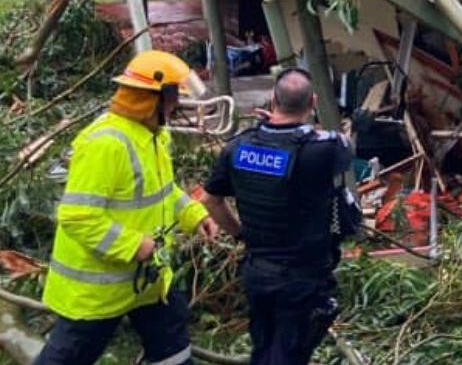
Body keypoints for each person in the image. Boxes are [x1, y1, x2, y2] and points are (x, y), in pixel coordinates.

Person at [36, 50, 219, 365]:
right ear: (152, 99)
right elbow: (77, 216)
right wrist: (133, 244)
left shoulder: (154, 136)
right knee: (68, 356)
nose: (177, 106)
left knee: (173, 348)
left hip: (146, 281)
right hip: (97, 291)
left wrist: (193, 213)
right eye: (174, 97)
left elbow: (162, 191)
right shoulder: (106, 144)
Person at [200, 67, 360, 364]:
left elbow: (210, 200)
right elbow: (343, 144)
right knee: (287, 354)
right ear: (312, 102)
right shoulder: (323, 150)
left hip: (256, 270)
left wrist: (239, 233)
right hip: (302, 276)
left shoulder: (238, 147)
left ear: (272, 99)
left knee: (264, 347)